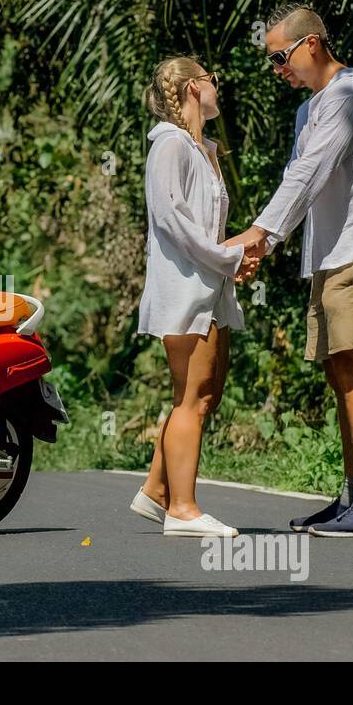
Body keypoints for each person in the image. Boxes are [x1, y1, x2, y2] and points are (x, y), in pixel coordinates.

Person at [227, 4, 353, 537]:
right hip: (330, 255)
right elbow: (298, 186)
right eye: (271, 62)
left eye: (280, 57)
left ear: (312, 44)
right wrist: (264, 246)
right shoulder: (308, 111)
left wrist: (257, 234)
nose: (277, 69)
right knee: (339, 373)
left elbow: (313, 170)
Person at [131, 55, 259, 537]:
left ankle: (156, 490)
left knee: (204, 394)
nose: (217, 88)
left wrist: (233, 254)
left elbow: (201, 227)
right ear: (190, 89)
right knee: (192, 399)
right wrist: (229, 258)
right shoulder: (169, 146)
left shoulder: (200, 147)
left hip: (208, 284)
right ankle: (182, 509)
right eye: (211, 80)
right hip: (186, 288)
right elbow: (174, 222)